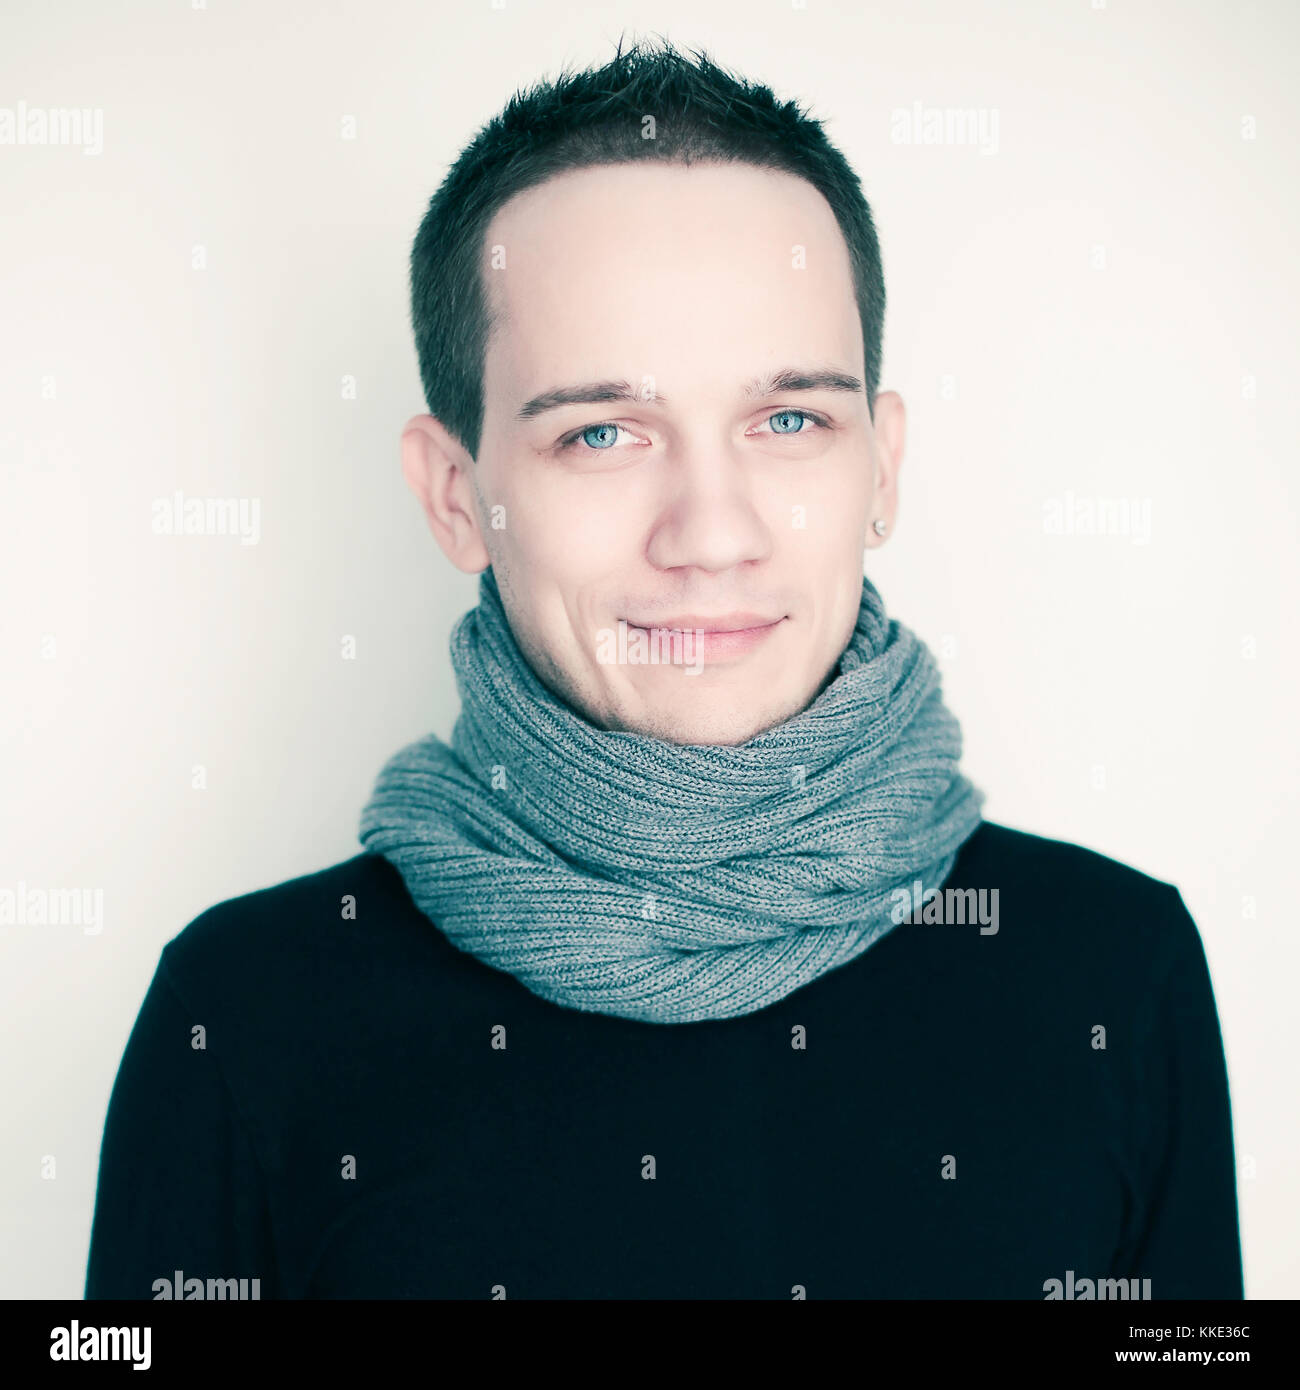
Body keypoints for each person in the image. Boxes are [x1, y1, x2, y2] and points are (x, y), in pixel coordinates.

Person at [86, 37, 1242, 1300]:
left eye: (789, 419)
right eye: (601, 431)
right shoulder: (246, 1017)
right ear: (457, 494)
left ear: (882, 467)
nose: (710, 531)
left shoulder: (1115, 969)